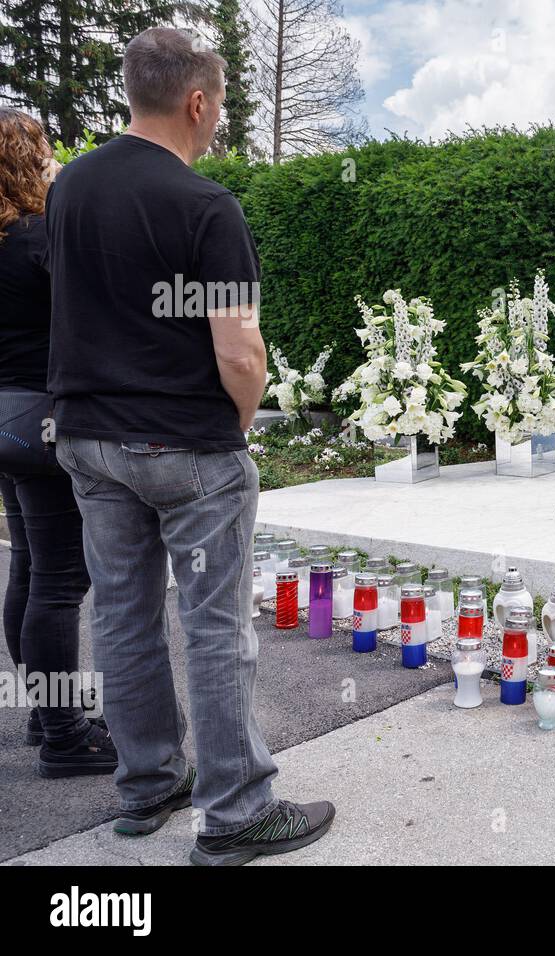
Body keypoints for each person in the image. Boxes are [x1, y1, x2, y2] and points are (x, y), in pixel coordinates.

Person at [45, 28, 333, 865]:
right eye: (222, 105)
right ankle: (237, 813)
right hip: (186, 448)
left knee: (125, 617)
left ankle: (146, 786)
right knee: (215, 630)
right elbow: (240, 350)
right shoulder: (207, 207)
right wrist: (237, 429)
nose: (220, 120)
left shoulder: (68, 191)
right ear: (197, 102)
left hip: (89, 443)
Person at [0, 108, 114, 777]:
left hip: (4, 427)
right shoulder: (43, 237)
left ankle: (48, 716)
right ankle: (67, 739)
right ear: (31, 157)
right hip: (43, 426)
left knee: (30, 570)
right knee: (60, 582)